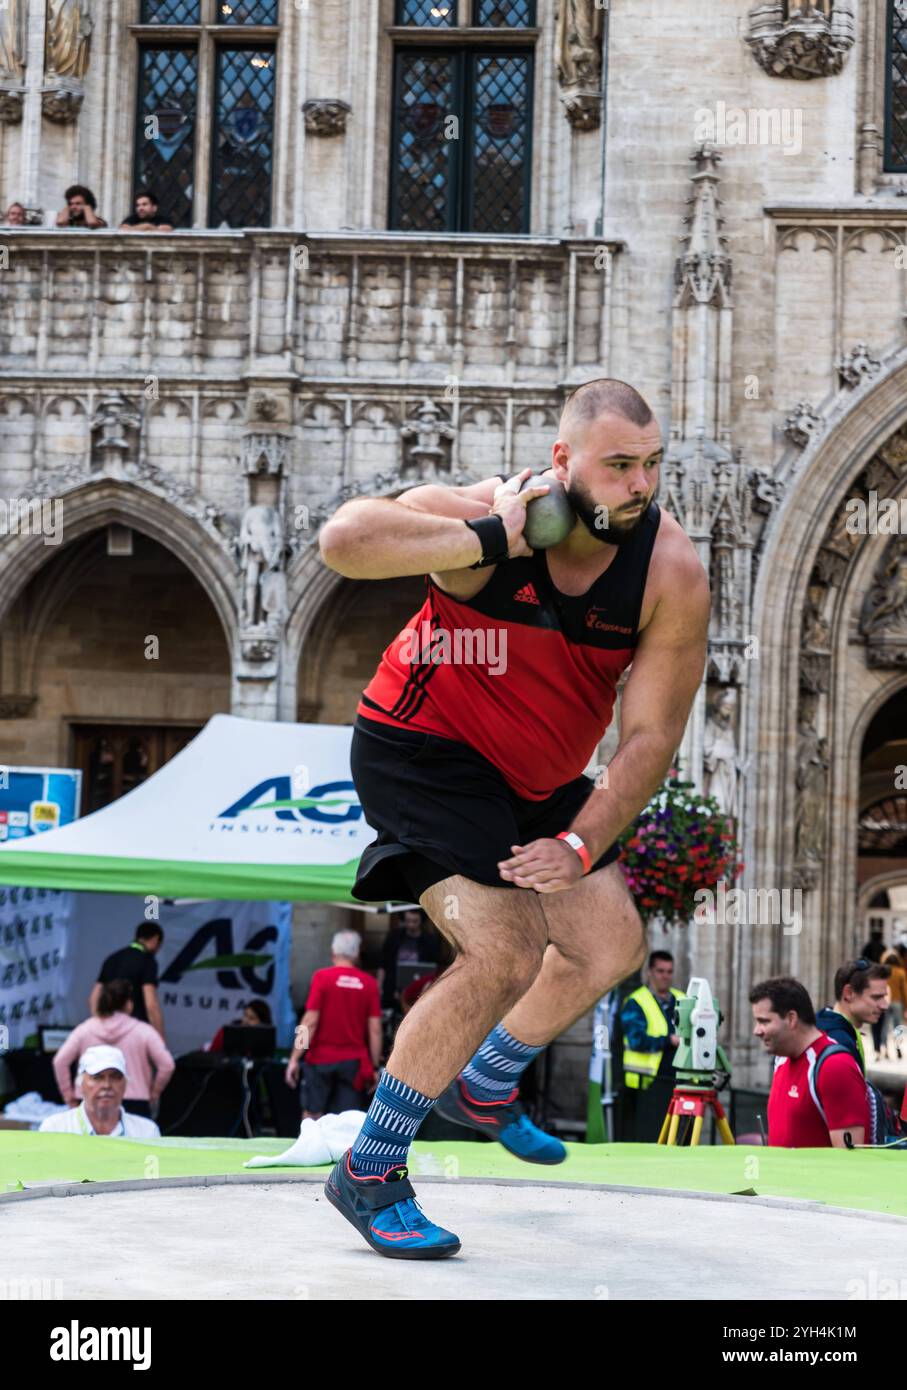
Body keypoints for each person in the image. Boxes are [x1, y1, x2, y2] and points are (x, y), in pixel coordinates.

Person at [318, 376, 710, 1259]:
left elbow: (649, 737)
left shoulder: (669, 571)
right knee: (503, 952)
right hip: (422, 752)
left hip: (540, 778)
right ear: (564, 461)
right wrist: (493, 530)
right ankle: (369, 1168)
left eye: (651, 465)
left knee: (608, 945)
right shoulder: (485, 524)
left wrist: (581, 841)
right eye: (617, 466)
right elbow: (343, 539)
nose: (639, 484)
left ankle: (484, 1083)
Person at [750, 976, 869, 1148]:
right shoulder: (781, 1059)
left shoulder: (835, 1067)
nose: (756, 1031)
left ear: (791, 1019)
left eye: (764, 1021)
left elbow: (850, 1161)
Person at [284, 931, 382, 1119]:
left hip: (320, 1059)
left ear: (333, 952)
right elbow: (375, 1030)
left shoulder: (322, 977)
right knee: (346, 1119)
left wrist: (295, 1056)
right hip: (353, 1062)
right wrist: (375, 1066)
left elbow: (309, 1022)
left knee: (313, 1116)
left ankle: (311, 1149)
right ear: (357, 954)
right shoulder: (369, 983)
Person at [52, 979, 174, 1118]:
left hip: (90, 1100)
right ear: (128, 1004)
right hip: (136, 1102)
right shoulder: (143, 1031)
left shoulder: (85, 1029)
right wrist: (154, 1091)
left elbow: (59, 1061)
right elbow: (167, 1064)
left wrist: (69, 1096)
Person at [620, 950, 685, 1141]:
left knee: (679, 1138)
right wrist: (669, 1040)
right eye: (660, 971)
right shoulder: (636, 1001)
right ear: (649, 972)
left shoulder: (682, 999)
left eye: (669, 971)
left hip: (679, 1080)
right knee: (651, 1137)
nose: (665, 976)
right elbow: (636, 1040)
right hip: (648, 1082)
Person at [38, 1046, 161, 1138]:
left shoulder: (146, 1132)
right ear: (80, 1083)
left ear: (125, 1084)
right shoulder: (55, 1129)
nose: (107, 1085)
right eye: (97, 1077)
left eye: (115, 1077)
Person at [91, 923, 165, 1039]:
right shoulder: (147, 961)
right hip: (134, 1033)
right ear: (155, 939)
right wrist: (160, 1040)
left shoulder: (112, 959)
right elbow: (151, 1004)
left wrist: (102, 1025)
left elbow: (94, 998)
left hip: (109, 1033)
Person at [816, 958, 891, 1073]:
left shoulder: (833, 1029)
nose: (884, 1006)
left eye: (884, 997)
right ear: (849, 993)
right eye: (876, 997)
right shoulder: (838, 1043)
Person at [377, 909, 441, 1011]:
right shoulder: (394, 937)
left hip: (419, 990)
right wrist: (379, 987)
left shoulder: (430, 941)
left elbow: (433, 968)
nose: (411, 925)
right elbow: (383, 964)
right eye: (408, 921)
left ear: (421, 921)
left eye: (415, 921)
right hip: (392, 989)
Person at [208, 999, 272, 1053]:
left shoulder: (265, 1039)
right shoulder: (227, 1032)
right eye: (245, 1015)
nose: (246, 1021)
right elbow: (212, 1056)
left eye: (252, 1018)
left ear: (262, 1023)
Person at [881, 947, 906, 1058]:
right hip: (897, 1002)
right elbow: (904, 990)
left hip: (885, 1001)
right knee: (898, 1028)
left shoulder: (883, 972)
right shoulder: (901, 972)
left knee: (885, 1026)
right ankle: (898, 1049)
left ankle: (885, 1048)